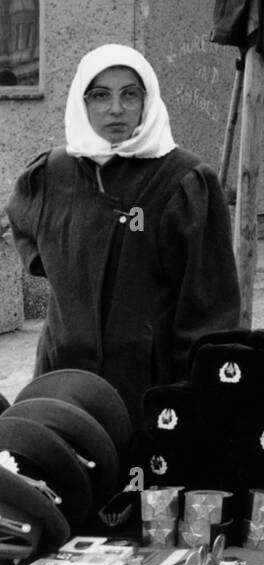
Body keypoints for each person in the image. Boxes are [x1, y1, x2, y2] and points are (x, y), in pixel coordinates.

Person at [5, 44, 241, 430]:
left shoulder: (182, 179)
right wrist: (58, 266)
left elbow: (209, 304)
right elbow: (23, 224)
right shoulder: (51, 174)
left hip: (150, 385)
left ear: (146, 100)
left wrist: (194, 390)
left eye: (129, 94)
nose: (115, 108)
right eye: (100, 95)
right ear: (83, 101)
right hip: (62, 375)